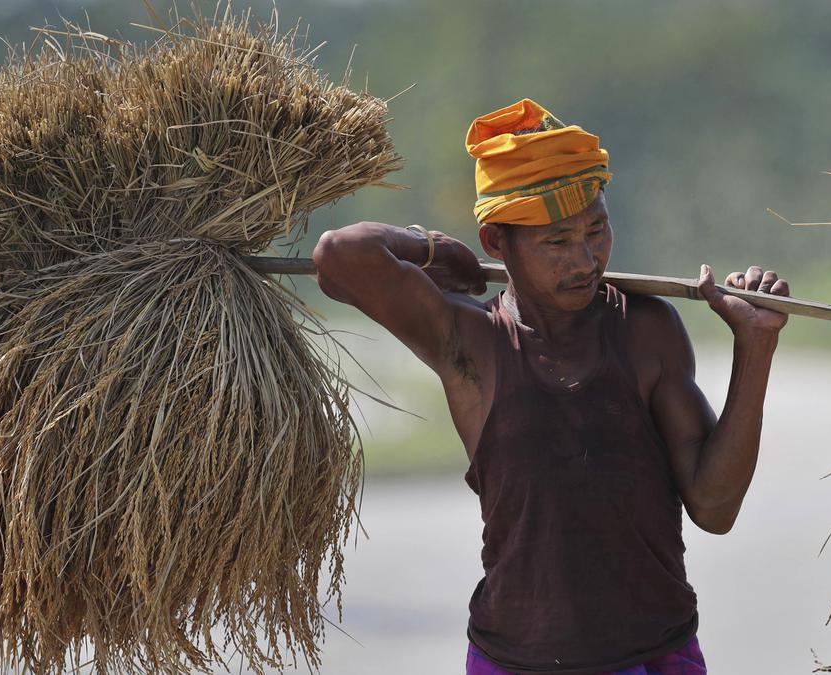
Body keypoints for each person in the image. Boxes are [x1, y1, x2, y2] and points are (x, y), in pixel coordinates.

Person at [313, 99, 790, 674]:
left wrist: (755, 346)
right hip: (517, 659)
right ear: (497, 244)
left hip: (654, 653)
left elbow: (714, 508)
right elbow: (340, 257)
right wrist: (433, 249)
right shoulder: (472, 344)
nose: (587, 260)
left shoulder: (646, 332)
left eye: (597, 229)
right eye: (556, 242)